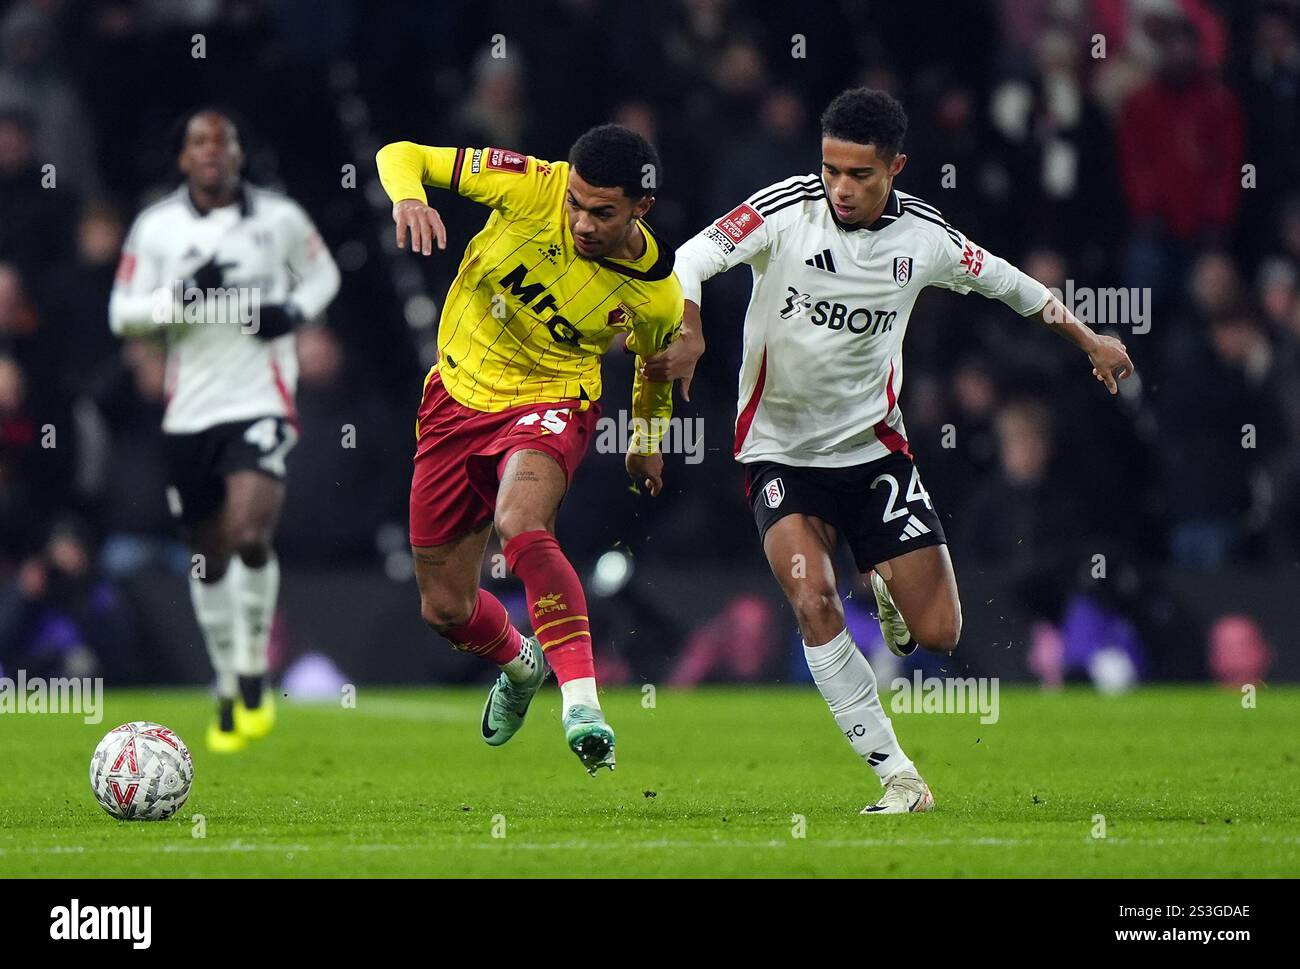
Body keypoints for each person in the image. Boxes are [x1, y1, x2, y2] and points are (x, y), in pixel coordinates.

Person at [650, 87, 1133, 814]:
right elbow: (688, 257)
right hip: (779, 454)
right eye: (831, 169)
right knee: (812, 598)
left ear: (896, 167)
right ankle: (899, 775)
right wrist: (689, 327)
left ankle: (879, 581)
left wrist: (1089, 337)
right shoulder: (784, 209)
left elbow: (1011, 285)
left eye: (860, 175)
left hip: (875, 454)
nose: (841, 187)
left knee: (938, 632)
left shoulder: (926, 240)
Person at [374, 125, 682, 774]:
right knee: (445, 607)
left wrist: (648, 441)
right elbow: (403, 152)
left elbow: (655, 367)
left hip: (554, 397)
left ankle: (583, 705)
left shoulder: (656, 291)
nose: (581, 222)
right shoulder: (530, 184)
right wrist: (407, 198)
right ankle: (520, 663)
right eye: (576, 202)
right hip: (455, 396)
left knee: (519, 520)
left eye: (602, 212)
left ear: (640, 209)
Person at [108, 108, 340, 752]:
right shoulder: (157, 228)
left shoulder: (280, 220)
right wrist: (178, 297)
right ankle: (226, 676)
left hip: (259, 398)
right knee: (207, 554)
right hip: (190, 411)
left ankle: (253, 669)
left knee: (249, 532)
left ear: (238, 154)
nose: (212, 152)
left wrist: (293, 310)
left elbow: (325, 274)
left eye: (223, 141)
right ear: (183, 158)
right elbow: (122, 314)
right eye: (199, 143)